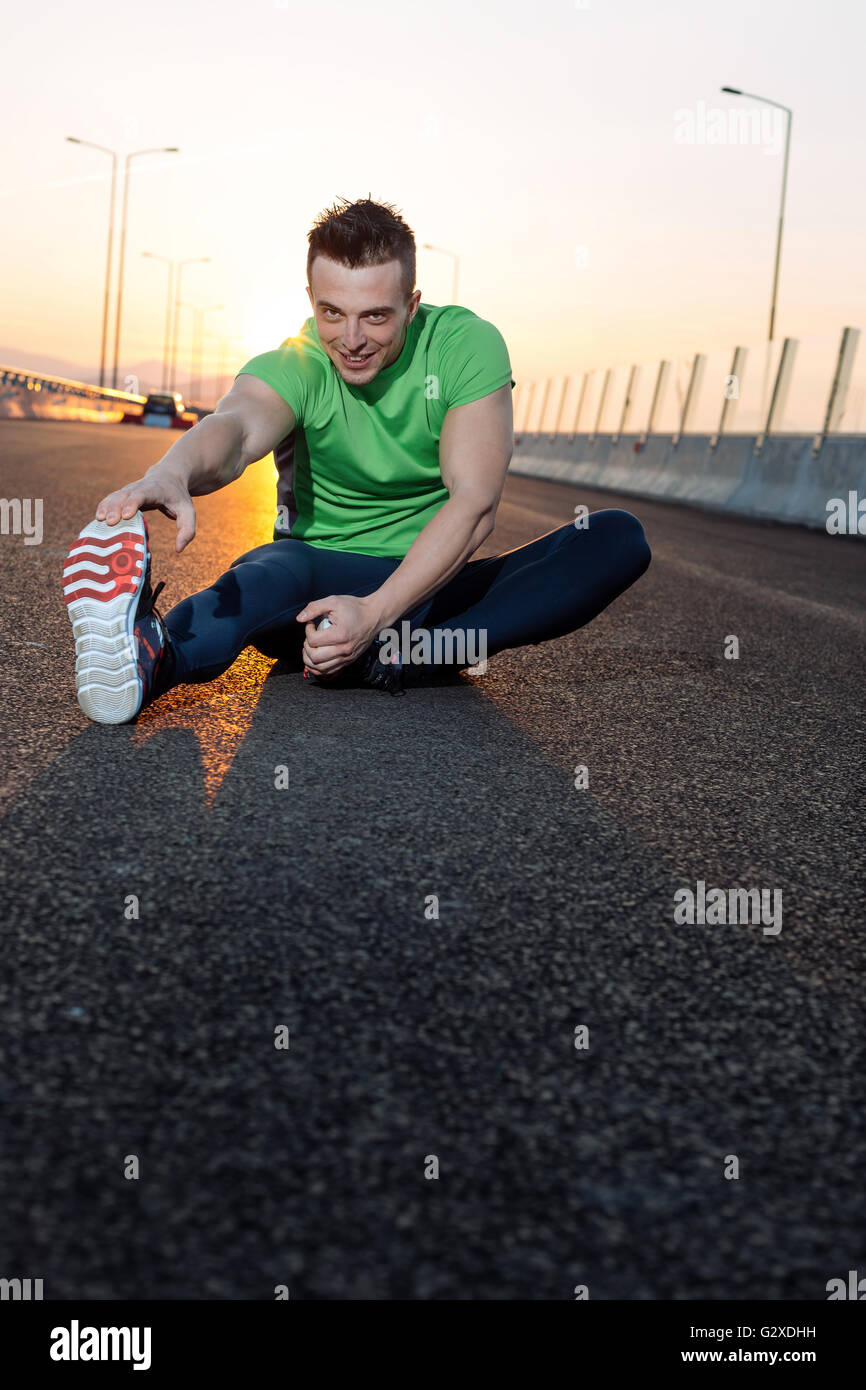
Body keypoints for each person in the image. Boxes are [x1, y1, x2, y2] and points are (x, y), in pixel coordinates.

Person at [62, 197, 651, 725]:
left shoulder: (464, 345)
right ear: (312, 302)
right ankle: (152, 655)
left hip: (426, 584)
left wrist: (376, 614)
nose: (351, 338)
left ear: (411, 305)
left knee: (614, 539)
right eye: (332, 312)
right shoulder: (303, 359)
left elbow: (474, 504)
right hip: (310, 588)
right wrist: (173, 470)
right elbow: (237, 430)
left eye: (376, 315)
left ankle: (400, 657)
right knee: (265, 574)